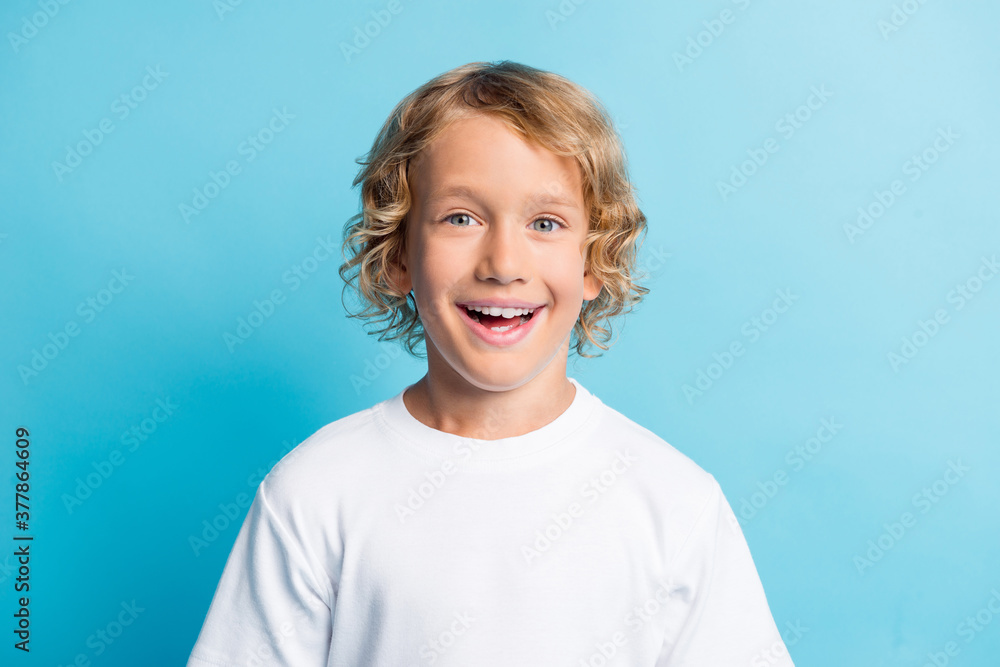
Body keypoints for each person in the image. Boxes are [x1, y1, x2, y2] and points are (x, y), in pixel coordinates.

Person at [187, 60, 795, 666]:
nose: (503, 264)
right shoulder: (316, 492)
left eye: (545, 223)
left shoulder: (675, 503)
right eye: (461, 218)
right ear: (398, 255)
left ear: (593, 262)